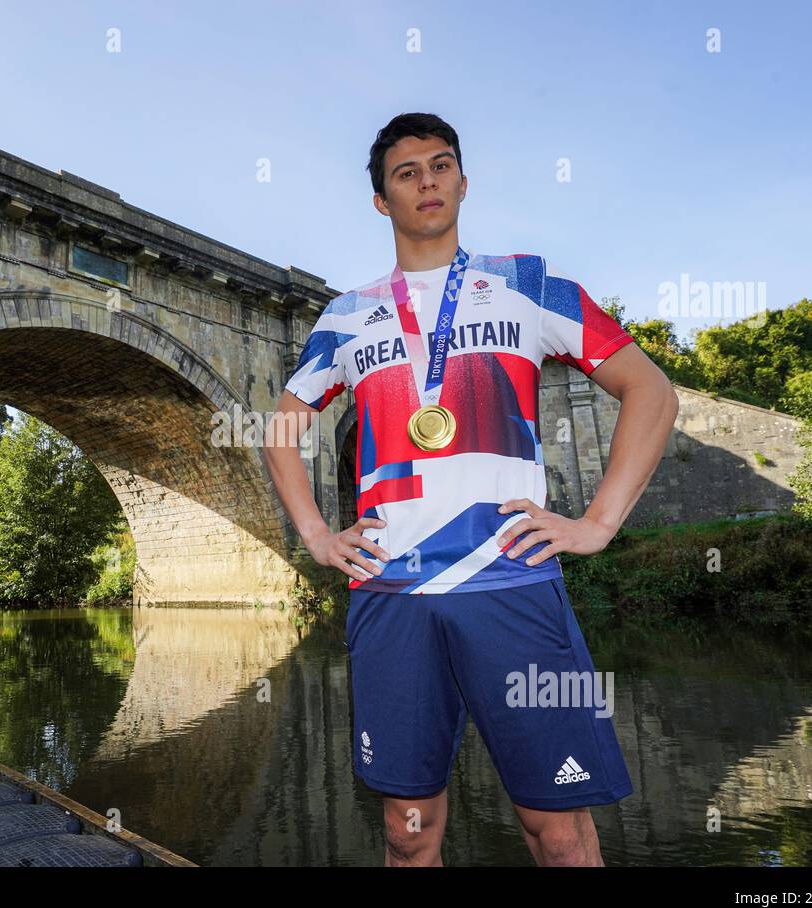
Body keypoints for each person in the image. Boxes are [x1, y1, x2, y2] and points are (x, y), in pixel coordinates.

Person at [263, 112, 678, 866]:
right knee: (405, 831)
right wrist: (318, 536)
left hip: (512, 580)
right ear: (382, 201)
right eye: (406, 171)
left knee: (555, 829)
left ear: (461, 180)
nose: (427, 180)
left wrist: (598, 522)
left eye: (441, 164)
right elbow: (280, 429)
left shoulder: (527, 282)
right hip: (392, 592)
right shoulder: (346, 316)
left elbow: (650, 391)